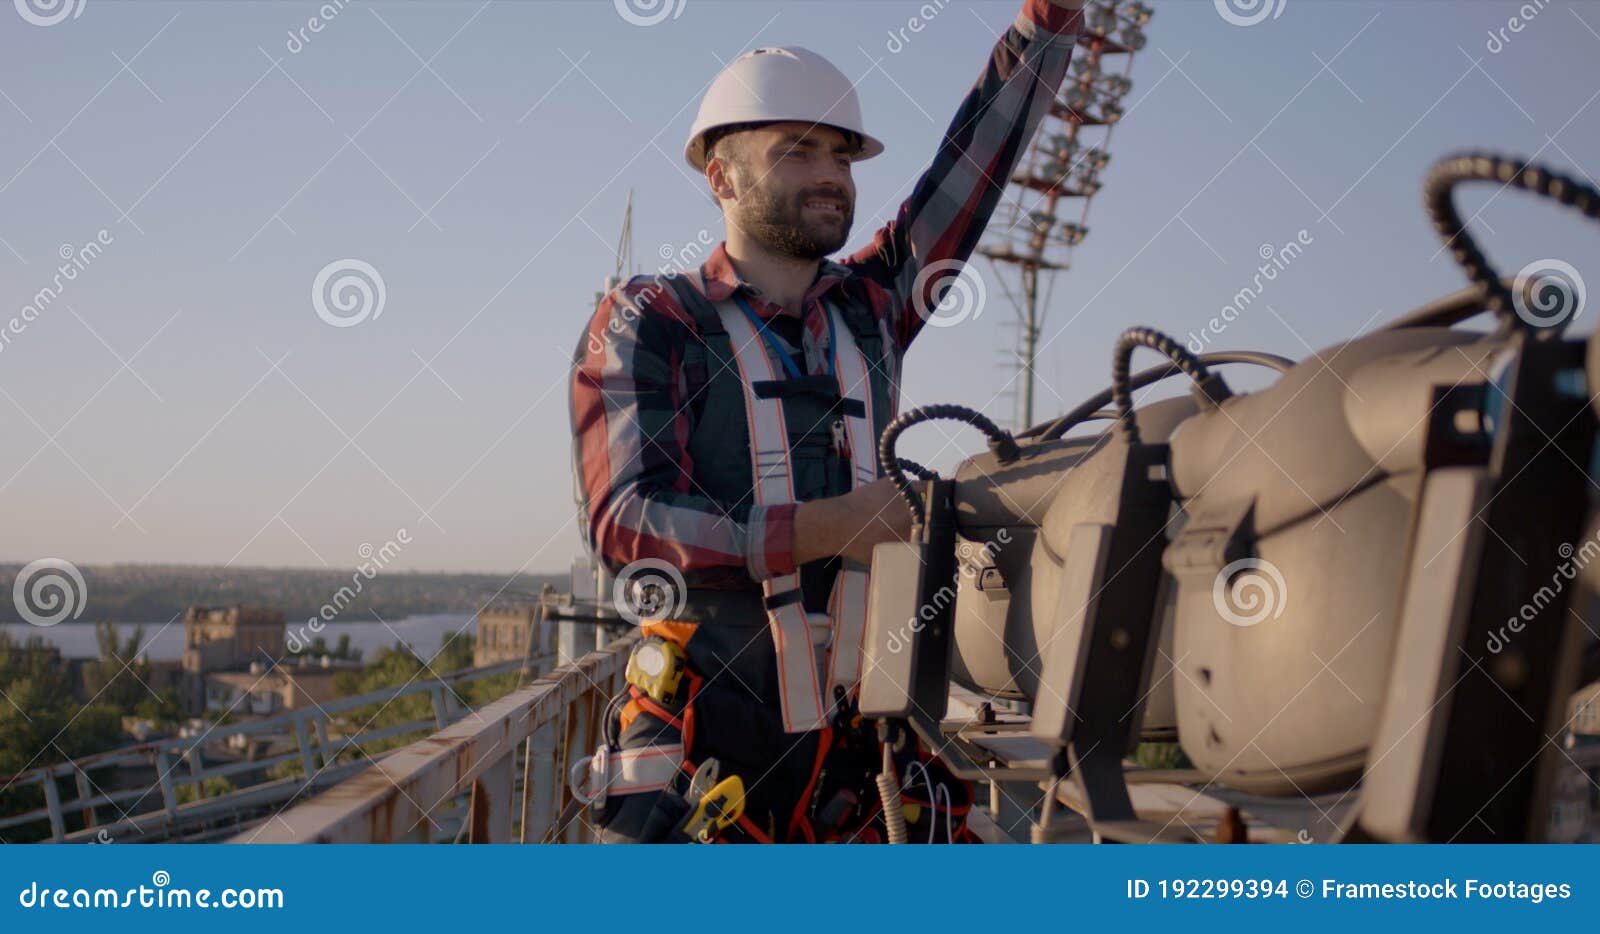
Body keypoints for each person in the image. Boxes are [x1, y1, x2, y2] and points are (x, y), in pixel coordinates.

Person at [569, 0, 1088, 842]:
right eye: (797, 150)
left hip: (855, 754)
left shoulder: (874, 309)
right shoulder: (652, 320)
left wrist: (1045, 28)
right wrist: (823, 527)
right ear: (722, 177)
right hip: (703, 750)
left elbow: (972, 175)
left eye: (841, 154)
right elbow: (625, 522)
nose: (832, 174)